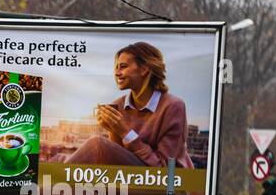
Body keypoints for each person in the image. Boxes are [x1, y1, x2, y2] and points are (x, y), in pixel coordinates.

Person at [65, 42, 194, 170]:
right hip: (131, 177)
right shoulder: (118, 105)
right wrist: (112, 130)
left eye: (123, 66)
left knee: (97, 144)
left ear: (144, 69)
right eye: (116, 68)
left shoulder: (173, 106)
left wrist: (125, 132)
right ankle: (54, 185)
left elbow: (165, 168)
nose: (117, 73)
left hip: (168, 184)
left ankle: (52, 184)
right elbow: (116, 160)